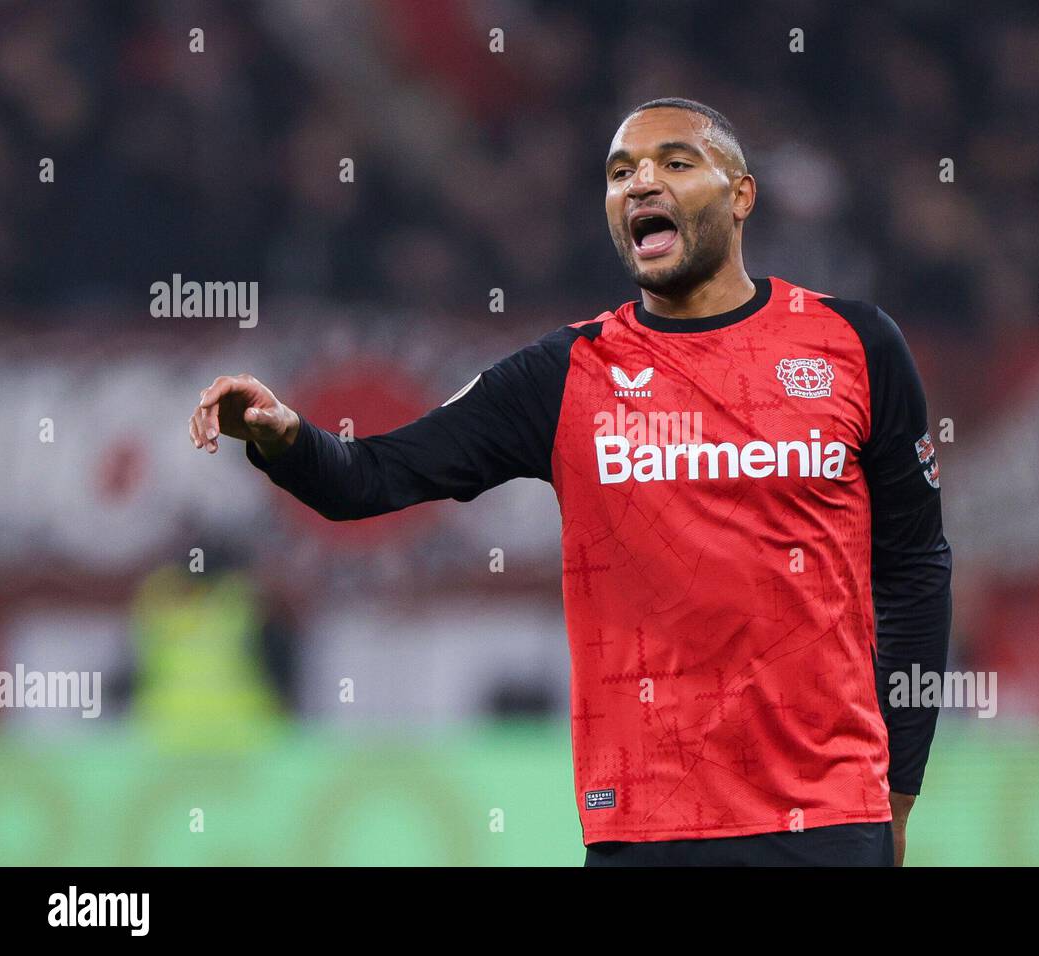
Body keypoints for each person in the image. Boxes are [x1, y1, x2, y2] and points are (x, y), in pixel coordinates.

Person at [189, 98, 952, 866]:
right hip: (645, 829)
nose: (641, 184)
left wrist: (897, 790)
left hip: (825, 821)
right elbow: (370, 479)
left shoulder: (855, 345)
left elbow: (916, 568)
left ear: (741, 194)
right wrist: (285, 438)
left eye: (675, 163)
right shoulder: (566, 375)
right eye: (622, 173)